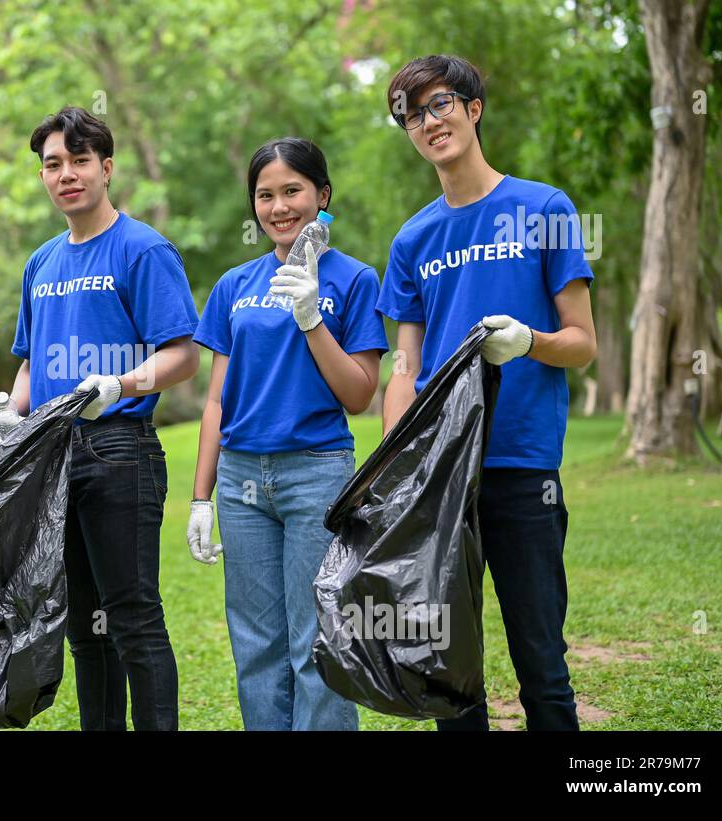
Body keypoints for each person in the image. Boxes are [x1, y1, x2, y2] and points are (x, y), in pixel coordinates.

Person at [377, 55, 597, 730]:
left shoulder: (544, 208)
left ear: (475, 109)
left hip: (523, 468)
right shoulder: (413, 237)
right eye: (412, 114)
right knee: (449, 669)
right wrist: (393, 470)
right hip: (441, 477)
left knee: (542, 663)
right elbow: (404, 367)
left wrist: (528, 340)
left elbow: (583, 342)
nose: (427, 122)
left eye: (440, 103)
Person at [0, 106, 199, 731]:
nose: (66, 175)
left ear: (106, 168)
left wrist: (124, 383)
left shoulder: (143, 250)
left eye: (80, 161)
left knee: (132, 616)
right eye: (53, 164)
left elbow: (183, 355)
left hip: (120, 451)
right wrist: (9, 413)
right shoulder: (42, 263)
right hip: (49, 458)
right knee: (83, 626)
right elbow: (29, 364)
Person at [186, 138, 387, 730]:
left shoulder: (354, 279)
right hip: (243, 480)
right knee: (256, 646)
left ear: (322, 196)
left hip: (317, 473)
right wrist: (201, 497)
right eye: (265, 195)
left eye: (292, 191)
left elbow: (359, 393)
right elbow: (218, 400)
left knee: (318, 639)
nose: (279, 207)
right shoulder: (234, 285)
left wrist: (312, 319)